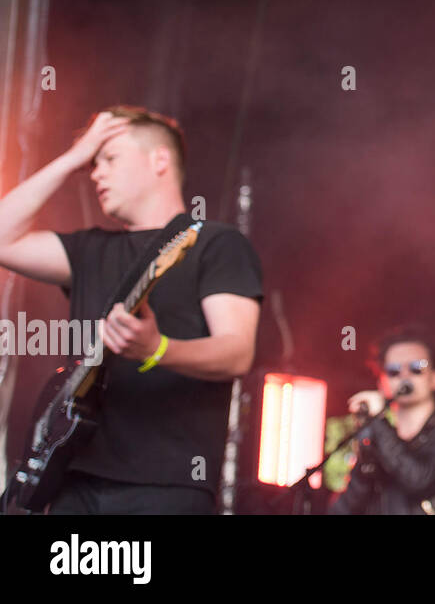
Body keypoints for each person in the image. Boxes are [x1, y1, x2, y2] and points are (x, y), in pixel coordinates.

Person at [0, 107, 262, 513]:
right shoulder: (88, 250)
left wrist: (158, 348)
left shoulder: (215, 243)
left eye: (110, 159)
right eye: (92, 163)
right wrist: (73, 156)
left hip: (166, 485)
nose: (95, 173)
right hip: (74, 480)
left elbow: (237, 351)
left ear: (159, 160)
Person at [329, 329, 435, 514]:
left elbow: (420, 480)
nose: (405, 376)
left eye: (416, 367)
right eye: (394, 370)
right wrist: (364, 467)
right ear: (382, 383)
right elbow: (339, 510)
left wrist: (378, 421)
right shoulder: (378, 441)